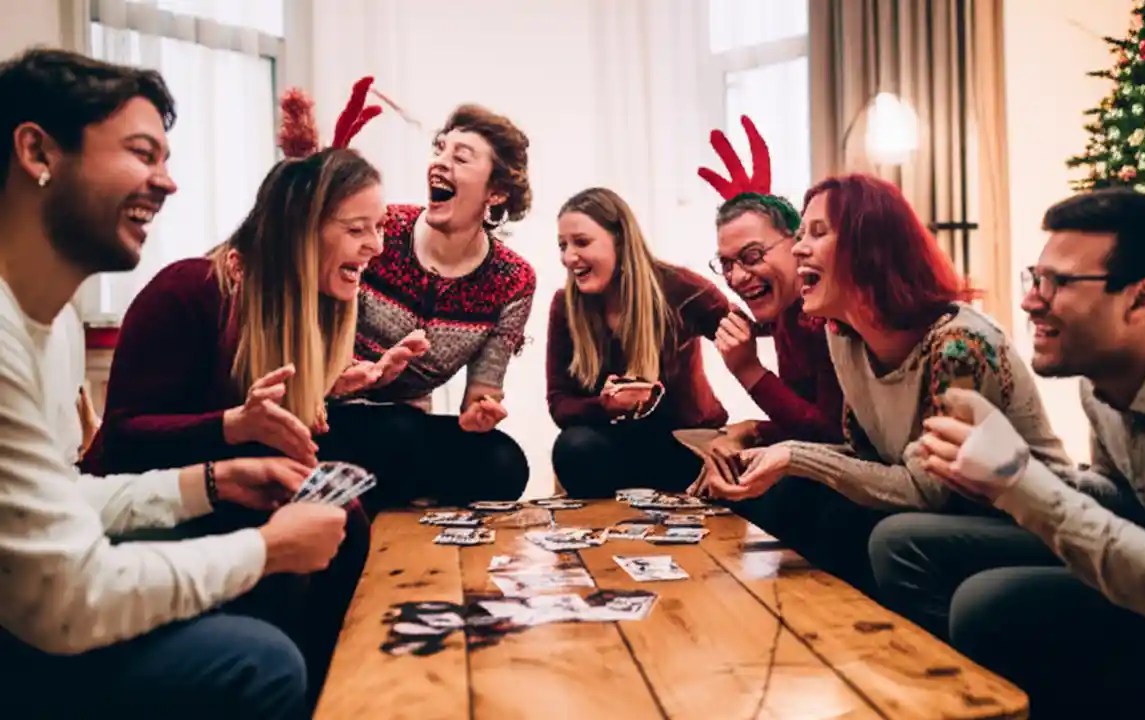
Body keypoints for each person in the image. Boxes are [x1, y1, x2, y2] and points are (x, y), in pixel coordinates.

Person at [0, 47, 349, 719]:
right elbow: (65, 599)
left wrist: (214, 481)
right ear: (37, 153)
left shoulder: (56, 324)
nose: (167, 183)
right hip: (26, 633)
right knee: (261, 663)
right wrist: (264, 551)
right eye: (142, 153)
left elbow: (58, 499)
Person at [871, 188, 1145, 719]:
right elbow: (1122, 498)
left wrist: (1020, 480)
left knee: (988, 605)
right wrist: (1013, 467)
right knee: (902, 543)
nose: (1030, 300)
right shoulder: (1103, 380)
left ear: (1141, 299)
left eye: (1059, 282)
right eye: (1035, 278)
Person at [78, 80, 407, 701]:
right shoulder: (187, 289)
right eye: (358, 229)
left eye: (380, 229)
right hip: (138, 516)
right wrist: (233, 427)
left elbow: (280, 431)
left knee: (347, 516)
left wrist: (328, 396)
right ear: (304, 228)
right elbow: (121, 441)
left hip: (222, 493)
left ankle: (328, 691)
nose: (376, 247)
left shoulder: (307, 308)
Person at [719, 172, 1070, 587]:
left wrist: (793, 454)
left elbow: (929, 490)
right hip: (946, 513)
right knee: (799, 494)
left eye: (817, 233)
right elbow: (862, 456)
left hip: (1029, 518)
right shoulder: (844, 338)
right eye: (799, 236)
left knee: (894, 537)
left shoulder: (959, 345)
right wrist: (764, 451)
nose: (799, 249)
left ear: (867, 249)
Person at [326, 103, 536, 509]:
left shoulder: (512, 279)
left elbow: (481, 394)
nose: (440, 163)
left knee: (506, 462)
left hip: (404, 430)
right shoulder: (383, 230)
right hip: (334, 410)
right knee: (401, 431)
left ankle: (379, 492)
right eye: (439, 150)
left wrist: (479, 416)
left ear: (495, 192)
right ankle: (391, 494)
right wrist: (359, 375)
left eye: (460, 157)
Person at [689, 116, 845, 570]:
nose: (738, 277)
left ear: (796, 244)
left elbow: (832, 436)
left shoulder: (825, 316)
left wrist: (749, 373)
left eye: (753, 257)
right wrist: (747, 430)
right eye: (727, 264)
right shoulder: (784, 313)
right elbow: (806, 418)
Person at [547, 187, 733, 498]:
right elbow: (559, 402)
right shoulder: (565, 305)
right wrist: (604, 406)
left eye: (581, 242)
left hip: (683, 442)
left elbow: (745, 332)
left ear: (620, 239)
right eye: (562, 245)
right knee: (574, 447)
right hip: (611, 448)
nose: (568, 257)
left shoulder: (683, 289)